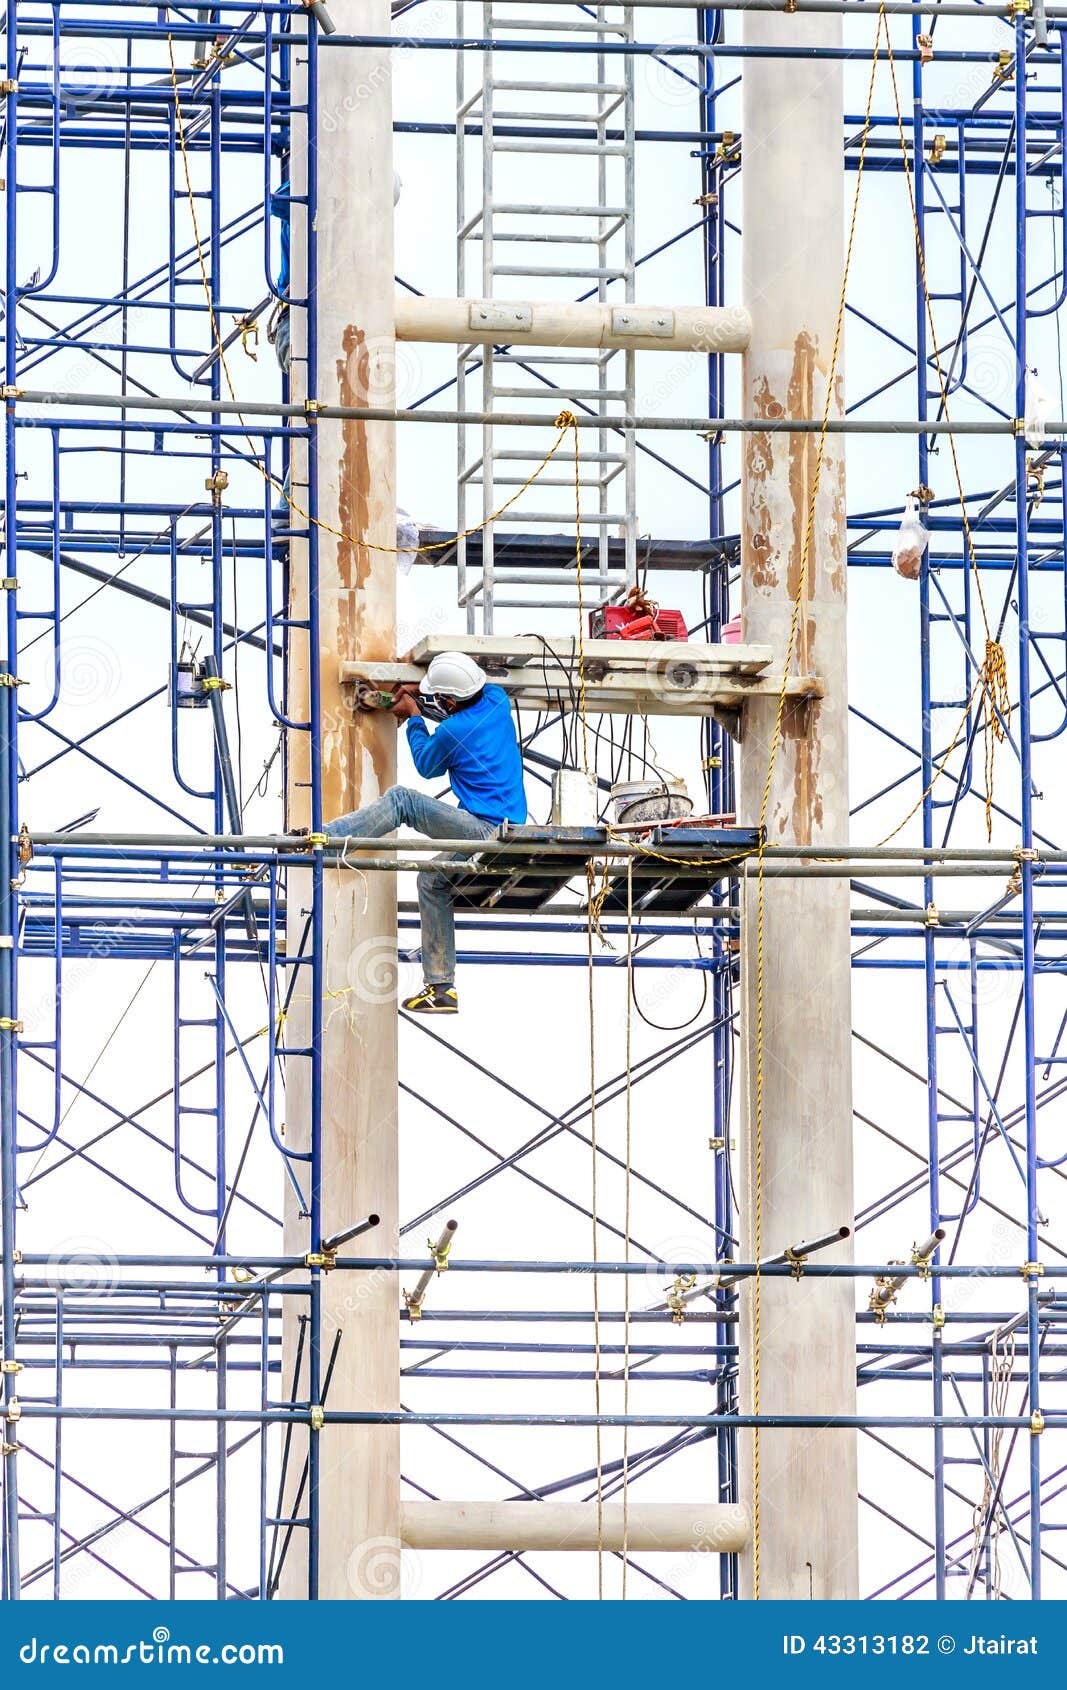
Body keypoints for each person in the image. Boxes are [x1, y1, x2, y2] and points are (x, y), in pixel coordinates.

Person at [327, 652, 527, 1014]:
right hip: (506, 827)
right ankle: (441, 988)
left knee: (402, 800)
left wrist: (414, 717)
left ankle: (329, 840)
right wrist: (419, 692)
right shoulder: (497, 699)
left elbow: (426, 764)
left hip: (482, 828)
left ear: (449, 701)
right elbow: (454, 709)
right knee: (431, 881)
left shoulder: (452, 731)